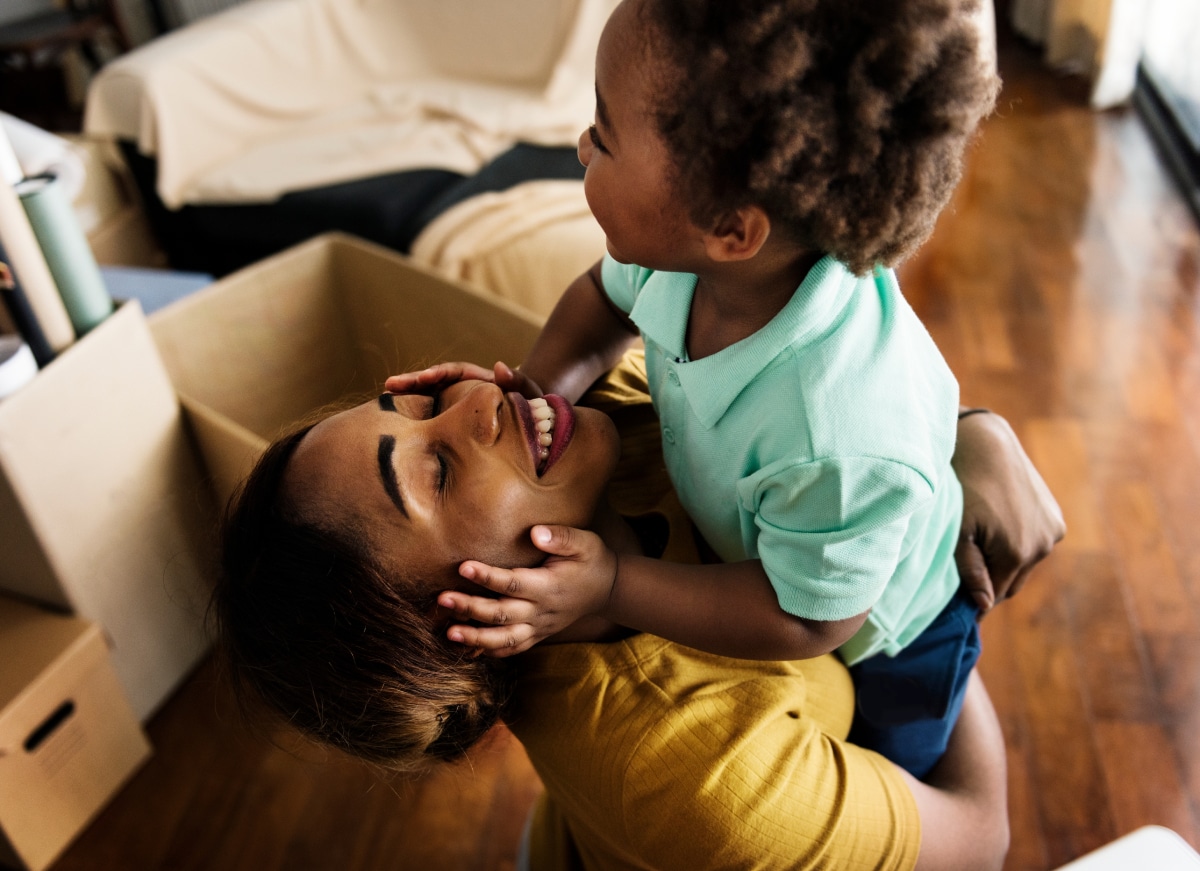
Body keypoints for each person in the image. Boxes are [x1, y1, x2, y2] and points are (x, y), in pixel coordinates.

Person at [384, 0, 1005, 777]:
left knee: (888, 760)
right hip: (784, 542)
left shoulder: (838, 434)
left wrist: (614, 584)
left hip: (892, 632)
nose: (580, 144)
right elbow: (599, 301)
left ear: (731, 228)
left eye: (604, 136)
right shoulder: (687, 259)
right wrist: (538, 393)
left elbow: (804, 613)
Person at [212, 355, 1064, 870]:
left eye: (420, 402)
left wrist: (963, 430)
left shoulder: (613, 420)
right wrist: (928, 593)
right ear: (461, 630)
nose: (476, 400)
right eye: (434, 472)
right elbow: (981, 837)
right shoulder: (706, 784)